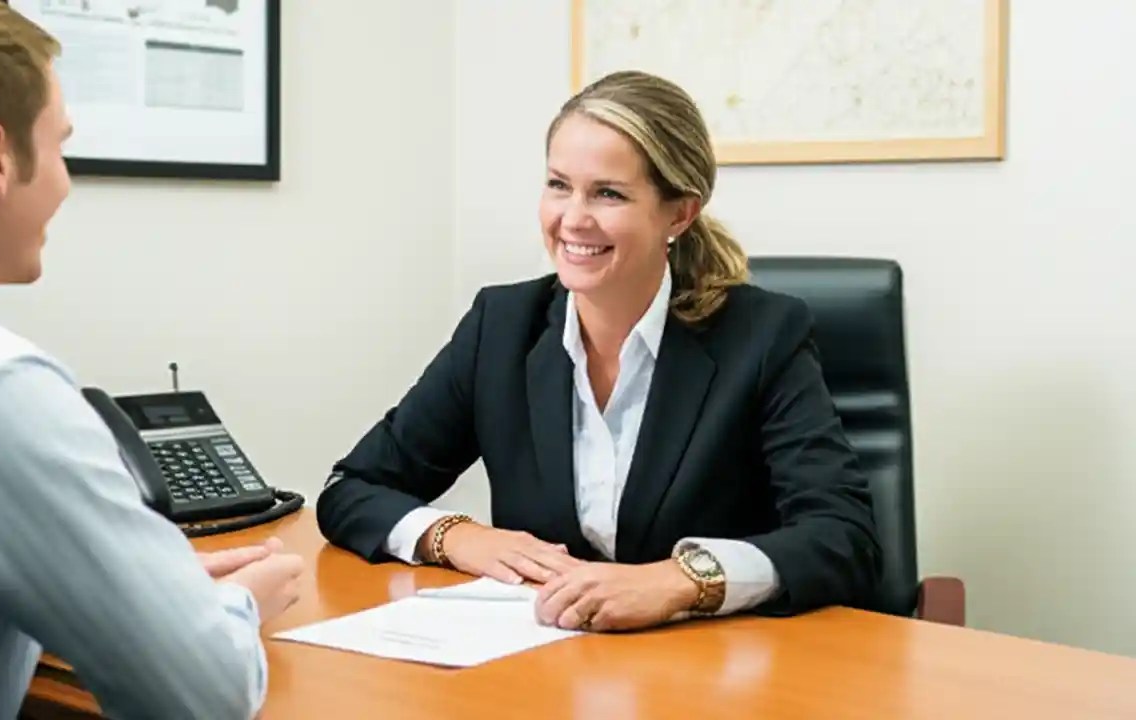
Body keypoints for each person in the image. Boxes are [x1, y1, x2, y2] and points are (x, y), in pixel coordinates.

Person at [0, 2, 303, 718]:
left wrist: (112, 575)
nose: (65, 183)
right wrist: (230, 604)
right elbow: (202, 695)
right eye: (61, 146)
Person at [317, 70, 881, 633]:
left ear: (679, 214)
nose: (573, 219)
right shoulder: (502, 328)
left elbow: (842, 536)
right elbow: (352, 490)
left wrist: (682, 581)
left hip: (709, 670)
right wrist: (458, 537)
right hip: (548, 667)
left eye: (608, 193)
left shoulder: (762, 335)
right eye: (559, 185)